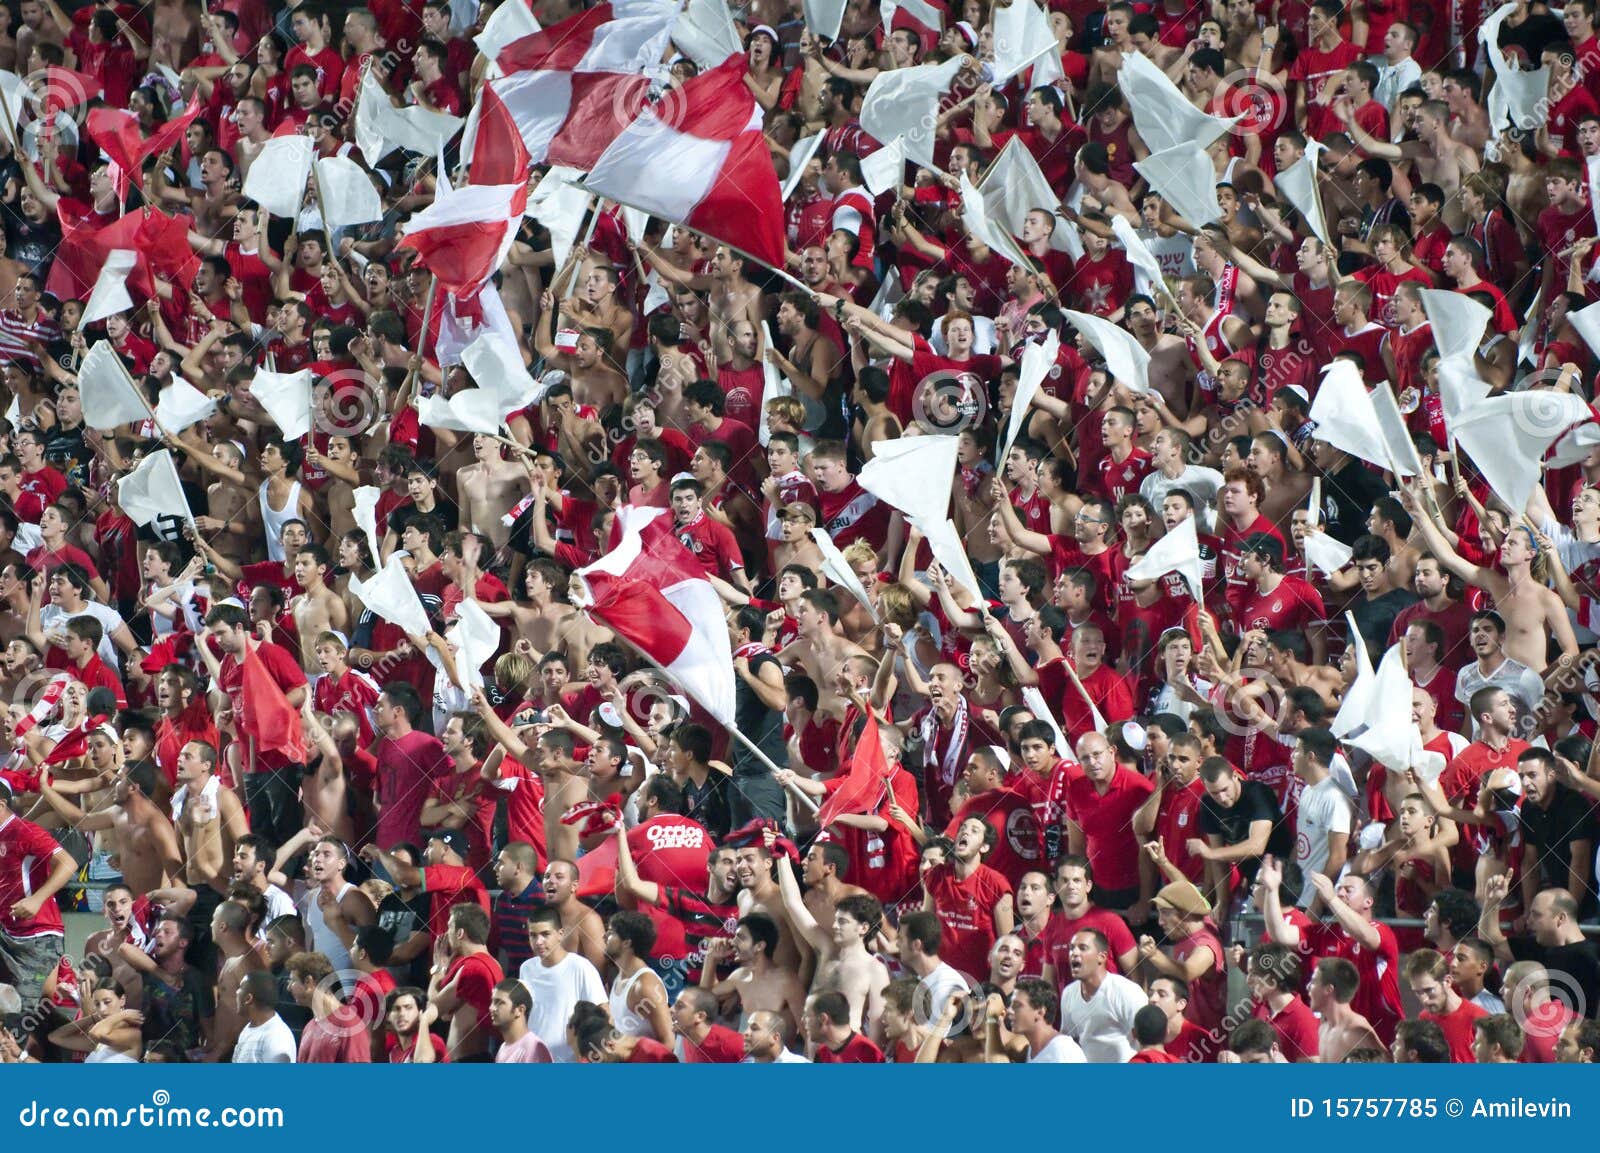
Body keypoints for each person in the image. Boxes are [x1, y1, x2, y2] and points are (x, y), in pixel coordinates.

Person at [518, 906, 605, 1064]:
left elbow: (603, 1014)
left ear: (560, 934)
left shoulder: (580, 967)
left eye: (545, 934)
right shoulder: (526, 968)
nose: (539, 942)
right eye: (533, 935)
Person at [1059, 929, 1148, 1063]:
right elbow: (1069, 1039)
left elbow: (1148, 1042)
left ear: (1102, 957)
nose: (1074, 953)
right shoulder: (1069, 993)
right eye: (1071, 948)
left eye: (1083, 948)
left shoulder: (1127, 991)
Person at [231, 970, 296, 1063]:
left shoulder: (276, 1038)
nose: (237, 992)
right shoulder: (250, 1027)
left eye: (240, 987)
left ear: (248, 998)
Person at [489, 978, 552, 1063]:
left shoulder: (534, 1048)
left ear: (520, 1010)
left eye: (500, 1003)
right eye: (492, 1002)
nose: (491, 1008)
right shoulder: (503, 1048)